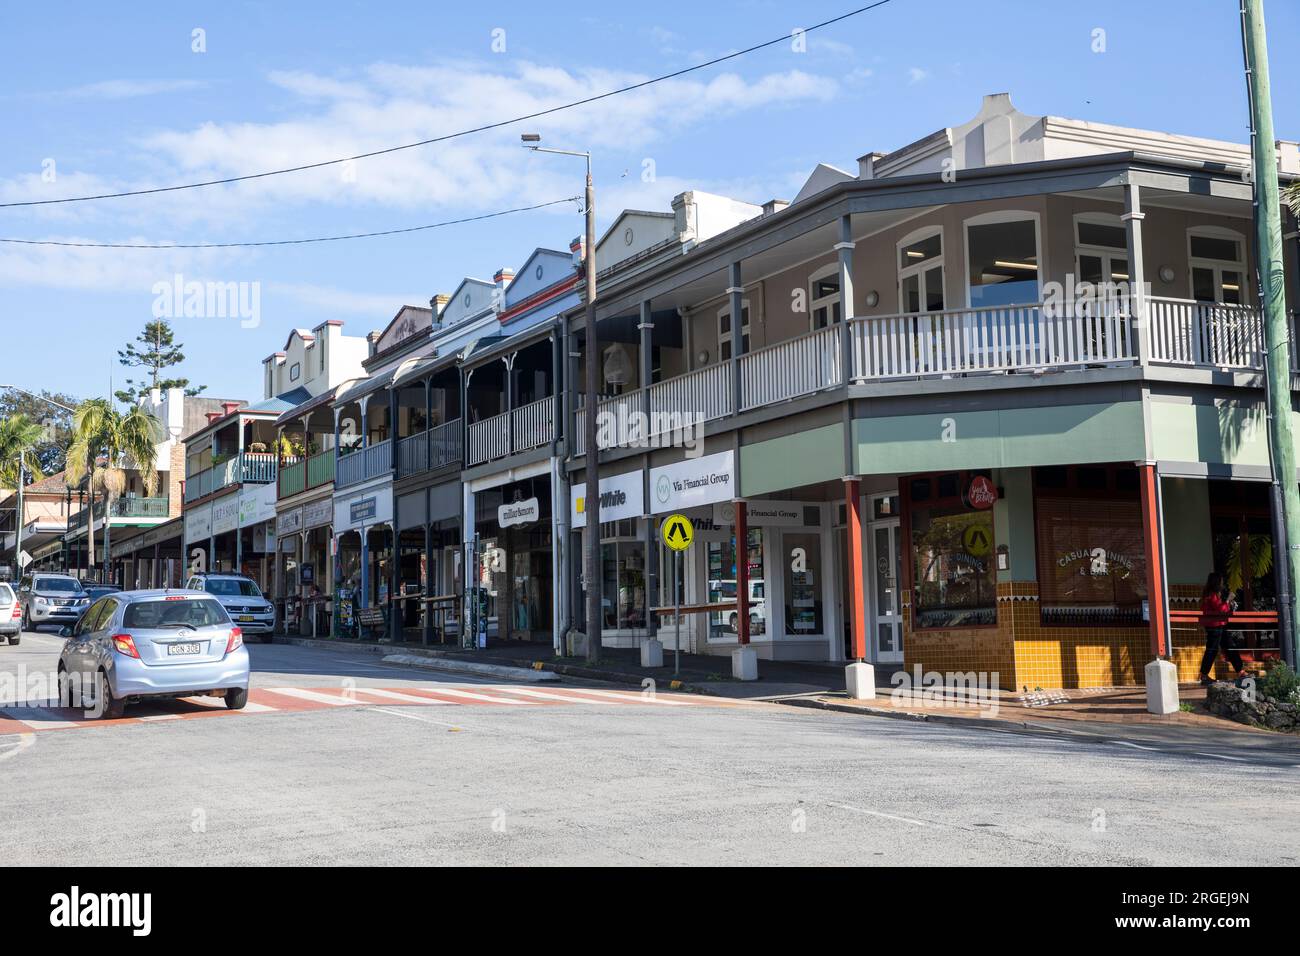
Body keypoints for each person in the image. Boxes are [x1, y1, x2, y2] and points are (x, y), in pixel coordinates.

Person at [1199, 572, 1245, 685]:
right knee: (1213, 650)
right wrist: (1228, 600)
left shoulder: (1212, 594)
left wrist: (1230, 605)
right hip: (1215, 626)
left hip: (1218, 625)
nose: (1222, 583)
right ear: (1217, 582)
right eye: (1221, 581)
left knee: (1227, 647)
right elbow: (1220, 610)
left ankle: (1241, 671)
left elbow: (1222, 610)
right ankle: (1204, 675)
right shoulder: (1212, 594)